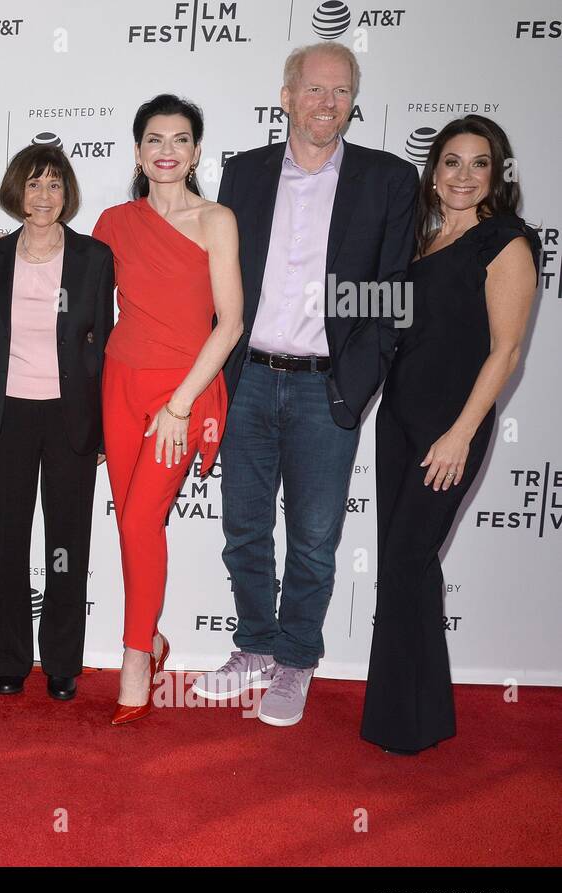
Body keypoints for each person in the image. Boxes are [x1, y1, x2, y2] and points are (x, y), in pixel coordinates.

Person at [194, 42, 419, 727]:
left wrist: (358, 379)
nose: (328, 103)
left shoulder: (387, 180)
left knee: (317, 537)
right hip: (250, 379)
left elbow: (391, 295)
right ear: (286, 96)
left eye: (342, 92)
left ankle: (295, 661)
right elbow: (214, 274)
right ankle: (255, 647)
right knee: (243, 528)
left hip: (329, 389)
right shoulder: (245, 173)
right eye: (316, 90)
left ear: (353, 102)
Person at [361, 116, 539, 755]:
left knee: (409, 559)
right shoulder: (425, 244)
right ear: (433, 173)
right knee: (401, 566)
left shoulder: (506, 242)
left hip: (449, 427)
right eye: (452, 163)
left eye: (479, 163)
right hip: (399, 422)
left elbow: (507, 351)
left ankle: (408, 723)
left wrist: (461, 433)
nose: (464, 176)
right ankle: (416, 715)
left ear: (497, 173)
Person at [93, 95, 243, 724]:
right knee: (133, 520)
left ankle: (135, 657)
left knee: (138, 522)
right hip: (120, 385)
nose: (166, 152)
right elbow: (78, 293)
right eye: (154, 140)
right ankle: (150, 639)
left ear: (197, 152)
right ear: (137, 151)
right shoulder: (113, 221)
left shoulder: (216, 220)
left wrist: (181, 405)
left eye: (180, 140)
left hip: (182, 392)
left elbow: (230, 322)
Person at [0, 143, 114, 701]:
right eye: (34, 184)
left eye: (55, 185)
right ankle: (8, 658)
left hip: (70, 417)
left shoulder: (94, 259)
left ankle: (61, 661)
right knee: (7, 540)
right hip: (8, 415)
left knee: (67, 542)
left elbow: (102, 346)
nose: (44, 196)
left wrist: (103, 427)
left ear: (67, 194)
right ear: (17, 193)